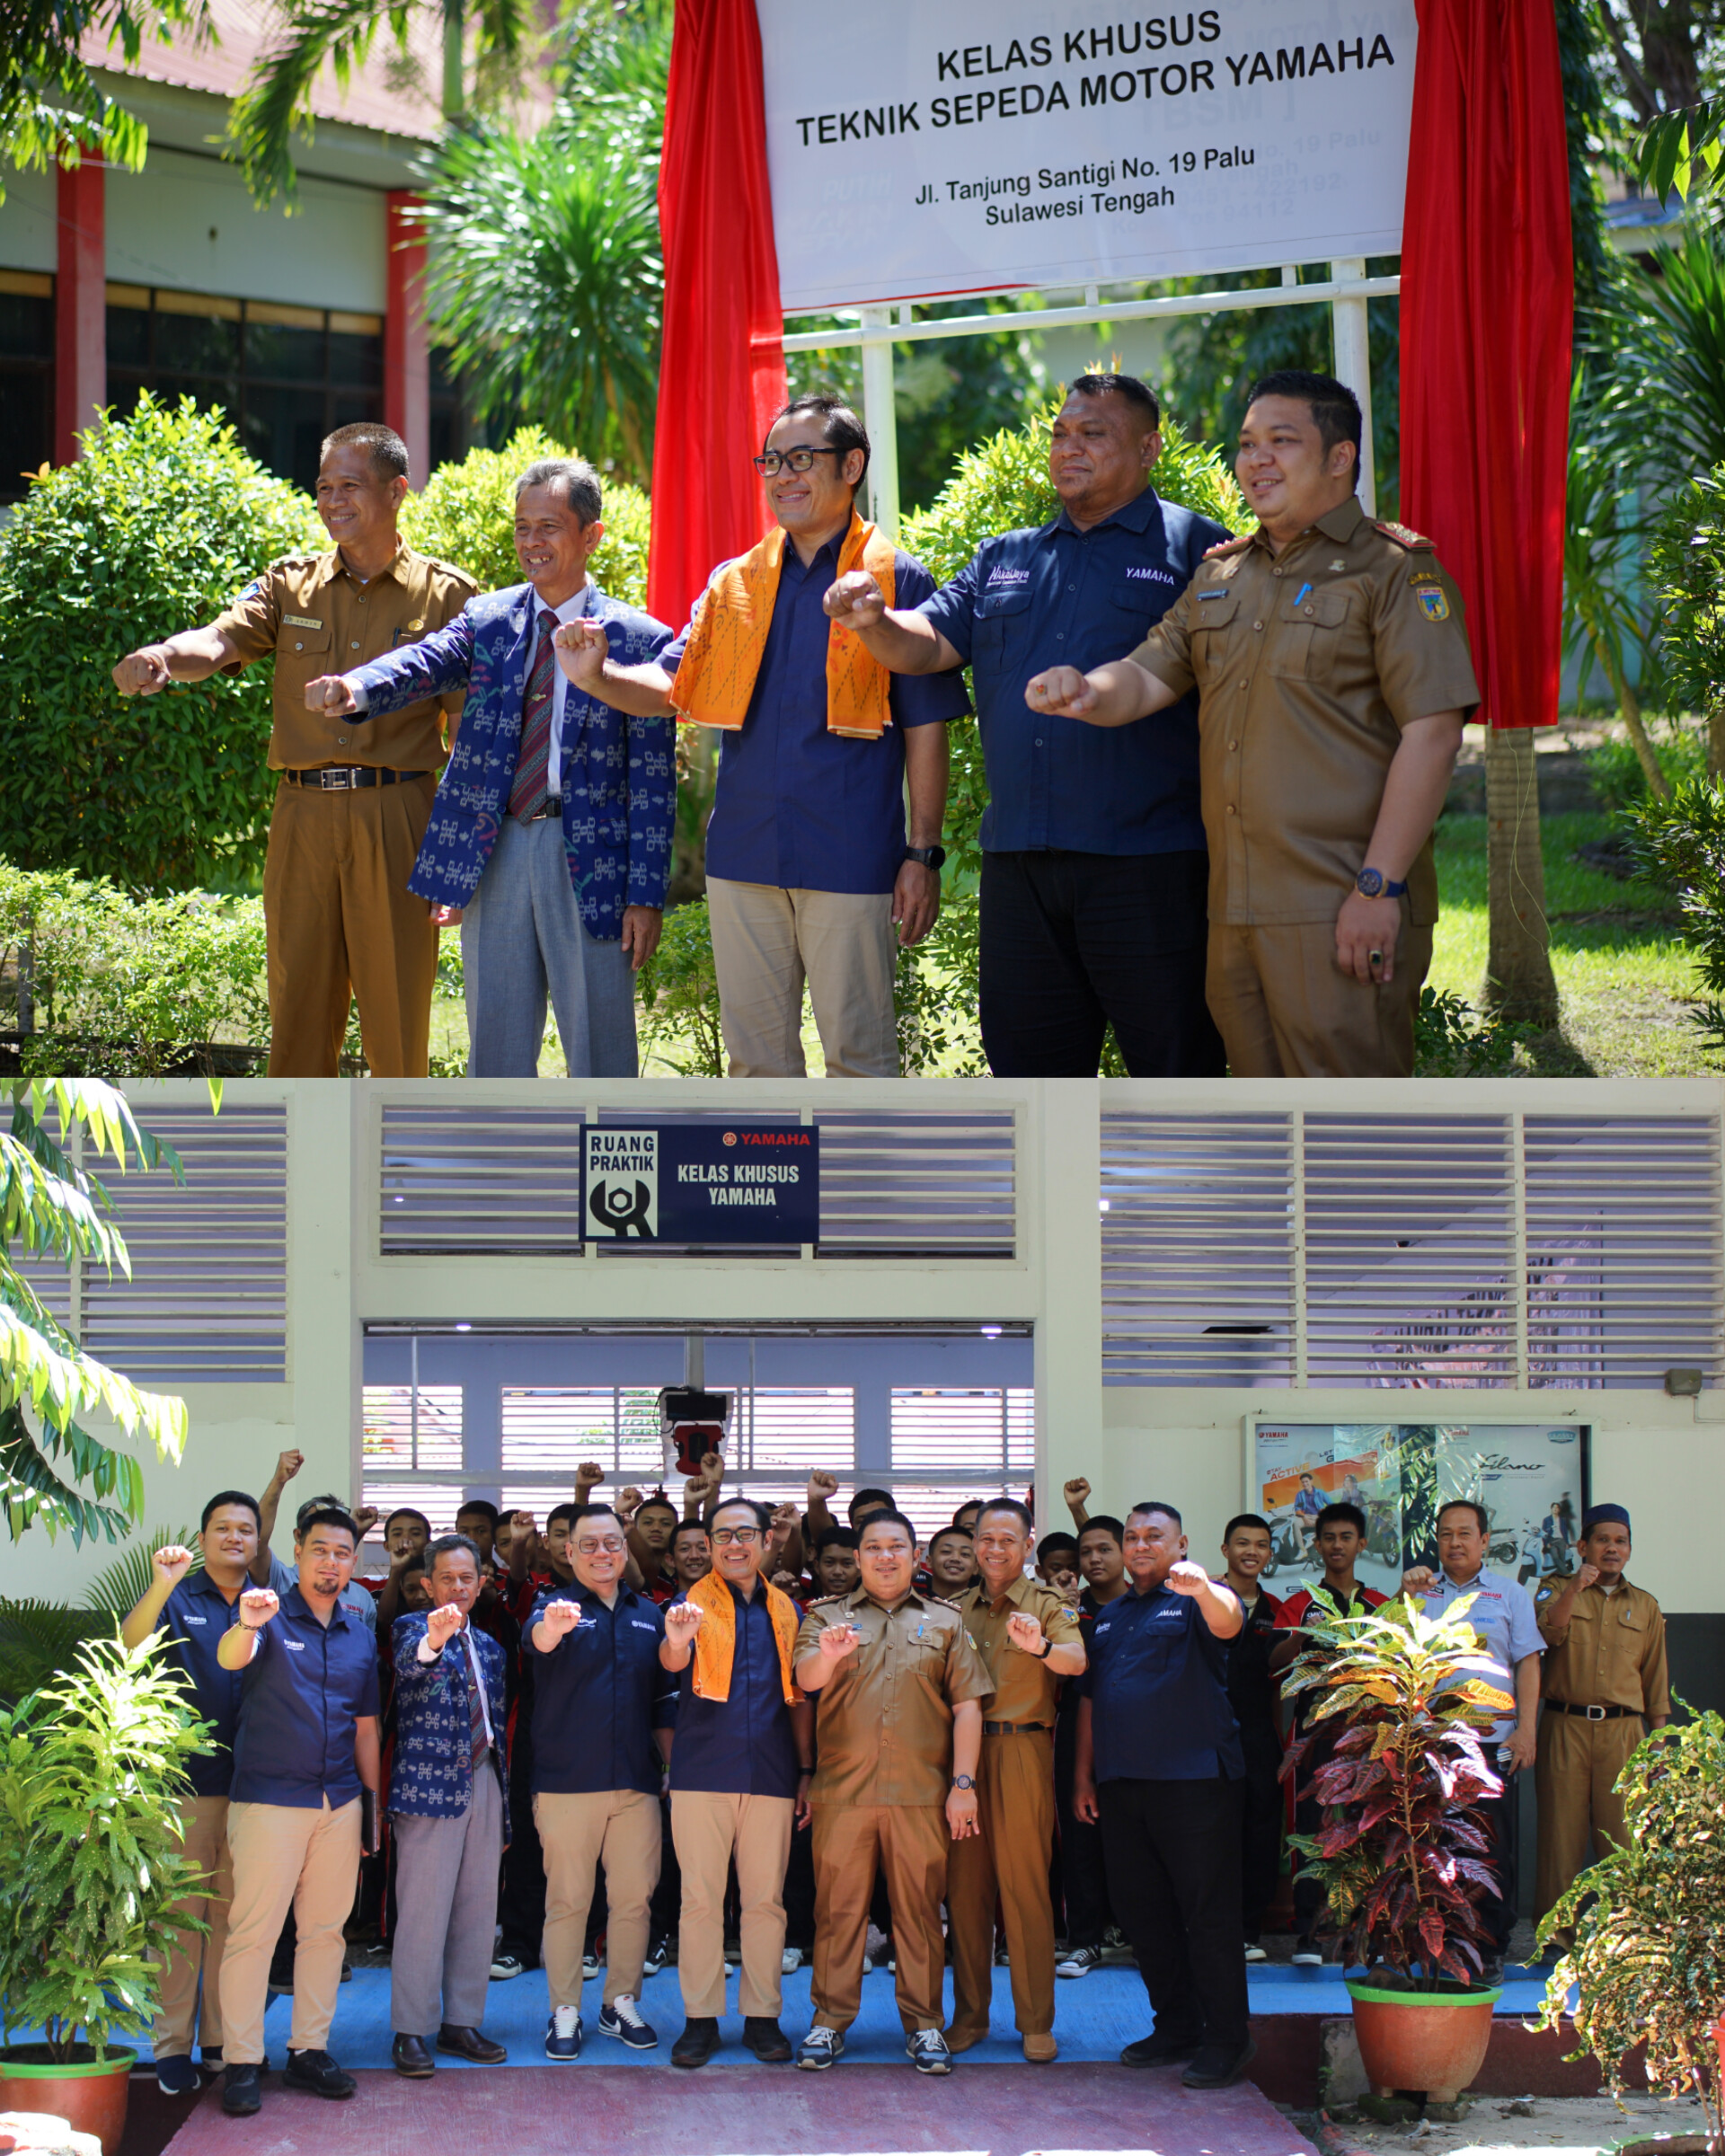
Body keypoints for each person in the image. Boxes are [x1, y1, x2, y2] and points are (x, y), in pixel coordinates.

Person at [1022, 369, 1480, 1079]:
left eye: (1281, 441)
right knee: (1265, 1137)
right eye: (1246, 444)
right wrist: (1086, 689)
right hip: (1232, 913)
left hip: (1339, 904)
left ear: (1339, 457)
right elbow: (1146, 674)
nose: (1256, 460)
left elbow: (1434, 733)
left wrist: (1379, 887)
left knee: (1348, 1139)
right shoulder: (1222, 575)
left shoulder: (1393, 572)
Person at [823, 372, 1228, 1077]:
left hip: (1147, 866)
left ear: (1149, 447)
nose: (1068, 448)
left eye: (1093, 434)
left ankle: (1178, 1195)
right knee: (1032, 1085)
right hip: (1020, 869)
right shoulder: (1004, 556)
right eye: (1060, 434)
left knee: (1174, 1074)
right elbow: (927, 646)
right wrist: (874, 620)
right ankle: (1055, 1196)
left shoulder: (1198, 550)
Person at [557, 395, 968, 1078]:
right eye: (771, 461)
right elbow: (672, 689)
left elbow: (927, 727)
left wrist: (922, 853)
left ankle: (860, 1189)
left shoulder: (895, 575)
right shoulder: (735, 583)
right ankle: (782, 1189)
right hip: (744, 855)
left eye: (802, 459)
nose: (783, 475)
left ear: (852, 465)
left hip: (851, 852)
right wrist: (598, 677)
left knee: (861, 1060)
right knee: (755, 1067)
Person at [110, 425, 475, 1076]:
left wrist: (459, 852)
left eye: (350, 487)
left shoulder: (447, 595)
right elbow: (220, 641)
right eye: (324, 488)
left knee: (396, 1026)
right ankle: (306, 1173)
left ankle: (398, 1175)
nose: (332, 501)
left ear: (397, 491)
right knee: (298, 1018)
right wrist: (164, 656)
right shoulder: (288, 585)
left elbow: (470, 735)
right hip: (302, 819)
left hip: (398, 817)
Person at [305, 457, 675, 1078]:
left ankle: (603, 1174)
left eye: (549, 527)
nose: (532, 542)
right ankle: (503, 1169)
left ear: (591, 536)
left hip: (591, 858)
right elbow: (421, 662)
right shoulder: (489, 620)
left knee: (601, 1049)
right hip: (495, 848)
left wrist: (646, 896)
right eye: (522, 527)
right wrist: (356, 688)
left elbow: (654, 783)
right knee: (496, 1053)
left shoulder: (639, 639)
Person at [791, 1510, 992, 2074]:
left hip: (922, 1795)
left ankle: (925, 2025)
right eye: (873, 1547)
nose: (885, 1557)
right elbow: (805, 1680)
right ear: (856, 1559)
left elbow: (967, 1707)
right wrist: (829, 1655)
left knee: (921, 1914)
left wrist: (963, 1785)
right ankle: (829, 2021)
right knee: (838, 1913)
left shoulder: (946, 1621)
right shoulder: (824, 1618)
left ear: (914, 1555)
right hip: (842, 1795)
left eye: (896, 1547)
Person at [1073, 1502, 1252, 2089]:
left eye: (1155, 1536)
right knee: (1142, 1915)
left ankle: (1227, 2039)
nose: (1141, 1545)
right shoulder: (1108, 1616)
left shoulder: (1200, 1597)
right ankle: (1176, 2025)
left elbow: (1230, 1623)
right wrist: (1084, 1776)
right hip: (1123, 1785)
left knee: (1208, 1917)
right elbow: (1093, 1702)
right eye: (1132, 1537)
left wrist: (1203, 1588)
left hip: (1194, 1783)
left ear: (1181, 1544)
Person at [214, 1507, 381, 2117]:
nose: (330, 1561)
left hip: (338, 1801)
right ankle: (241, 2059)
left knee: (325, 1933)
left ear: (352, 1562)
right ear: (297, 1551)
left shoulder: (360, 1632)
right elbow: (233, 1656)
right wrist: (247, 1624)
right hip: (269, 1800)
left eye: (342, 1552)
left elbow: (367, 1728)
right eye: (320, 1550)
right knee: (254, 1933)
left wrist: (372, 1807)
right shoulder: (264, 1610)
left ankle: (309, 2049)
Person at [656, 1498, 814, 2068]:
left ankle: (762, 2016)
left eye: (745, 1533)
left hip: (771, 1773)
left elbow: (800, 1700)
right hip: (702, 1774)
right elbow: (672, 1662)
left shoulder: (787, 1610)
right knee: (699, 1901)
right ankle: (700, 2020)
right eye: (722, 1535)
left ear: (766, 1541)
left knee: (766, 1902)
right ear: (711, 1545)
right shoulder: (689, 1605)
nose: (734, 1544)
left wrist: (804, 1772)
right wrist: (677, 1638)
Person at [119, 1495, 261, 2093]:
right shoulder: (177, 1594)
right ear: (203, 1539)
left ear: (258, 1541)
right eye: (222, 1529)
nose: (234, 1537)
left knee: (233, 1922)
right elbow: (128, 1646)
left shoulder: (269, 1601)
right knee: (181, 1921)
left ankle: (221, 2042)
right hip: (186, 1784)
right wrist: (162, 1583)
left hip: (257, 1789)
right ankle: (171, 2043)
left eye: (245, 1530)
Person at [528, 1502, 676, 2061]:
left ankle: (620, 2001)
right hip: (567, 1784)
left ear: (626, 1548)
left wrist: (670, 1769)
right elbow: (539, 1640)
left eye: (612, 1543)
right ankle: (564, 2009)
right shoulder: (553, 1609)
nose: (601, 1553)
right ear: (569, 1552)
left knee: (634, 1900)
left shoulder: (649, 1616)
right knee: (568, 1900)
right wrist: (552, 1628)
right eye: (587, 1544)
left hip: (636, 1783)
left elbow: (665, 1700)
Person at [947, 1499, 1085, 2063]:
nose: (996, 1549)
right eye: (986, 1539)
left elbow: (1076, 1661)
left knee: (1026, 1888)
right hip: (960, 1759)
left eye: (1009, 1539)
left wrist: (1042, 1648)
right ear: (973, 1544)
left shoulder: (1047, 1605)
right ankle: (970, 2017)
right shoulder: (952, 1609)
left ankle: (1034, 2021)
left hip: (1022, 1749)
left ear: (1028, 1546)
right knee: (965, 1892)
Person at [1401, 1501, 1544, 1980]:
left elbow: (1528, 1662)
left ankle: (1490, 1946)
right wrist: (1405, 1597)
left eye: (1465, 1534)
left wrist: (1527, 1730)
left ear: (1485, 1540)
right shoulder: (1423, 1591)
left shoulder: (1510, 1595)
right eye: (1445, 1535)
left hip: (1493, 1741)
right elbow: (1397, 1655)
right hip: (1433, 1743)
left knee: (1490, 1847)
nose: (1455, 1543)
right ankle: (1438, 1947)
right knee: (1434, 1845)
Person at [386, 1533, 511, 2077]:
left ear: (481, 1585)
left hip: (484, 1783)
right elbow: (414, 1669)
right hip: (428, 1791)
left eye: (467, 1579)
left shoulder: (492, 1648)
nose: (457, 1588)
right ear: (427, 1585)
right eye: (446, 1579)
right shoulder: (411, 1630)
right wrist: (435, 1641)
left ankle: (461, 2022)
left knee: (478, 1912)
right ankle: (411, 2031)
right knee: (422, 1914)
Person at [1533, 1504, 1669, 1932]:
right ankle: (1557, 1937)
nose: (1612, 1548)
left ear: (1629, 1549)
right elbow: (1547, 1634)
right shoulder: (1553, 1587)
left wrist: (1659, 1744)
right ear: (1583, 1546)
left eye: (1620, 1541)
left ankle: (1624, 1935)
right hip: (1564, 1726)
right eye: (1603, 1540)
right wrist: (1575, 1588)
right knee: (1560, 1837)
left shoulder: (1646, 1605)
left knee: (1622, 1838)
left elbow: (1655, 1678)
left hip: (1625, 1733)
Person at [1269, 1500, 1387, 1963]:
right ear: (1316, 1545)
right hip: (1312, 1734)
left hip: (1368, 1735)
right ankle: (1311, 1933)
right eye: (1329, 1538)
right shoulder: (1299, 1601)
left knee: (1368, 1827)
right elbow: (1274, 1664)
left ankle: (1364, 1929)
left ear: (1361, 1544)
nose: (1337, 1546)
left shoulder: (1381, 1605)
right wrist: (1301, 1633)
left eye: (1346, 1538)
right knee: (1313, 1829)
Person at [1055, 1515, 1128, 1979]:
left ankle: (1129, 1933)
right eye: (1086, 1552)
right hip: (1075, 1731)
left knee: (1133, 1838)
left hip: (1135, 1736)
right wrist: (1062, 1616)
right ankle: (1084, 1939)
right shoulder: (1066, 1608)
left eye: (1104, 1549)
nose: (1094, 1559)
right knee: (1080, 1837)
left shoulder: (1146, 1604)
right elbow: (1063, 1675)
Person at [1215, 1515, 1285, 1961]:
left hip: (1259, 1736)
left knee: (1260, 1834)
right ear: (1225, 1549)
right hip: (1208, 1735)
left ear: (1270, 1555)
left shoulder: (1278, 1609)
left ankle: (1248, 1932)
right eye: (1242, 1543)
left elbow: (1278, 1681)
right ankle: (1213, 1929)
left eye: (1261, 1545)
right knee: (1213, 1835)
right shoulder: (1202, 1599)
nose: (1251, 1552)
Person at [924, 1524, 978, 1595]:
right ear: (929, 1561)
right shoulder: (913, 1605)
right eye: (946, 1551)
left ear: (975, 1567)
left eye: (965, 1554)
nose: (955, 1558)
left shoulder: (989, 1606)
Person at [809, 1528, 861, 1601]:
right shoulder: (799, 1610)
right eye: (829, 1562)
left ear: (860, 1569)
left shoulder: (873, 1611)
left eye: (847, 1563)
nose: (837, 1572)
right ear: (817, 1567)